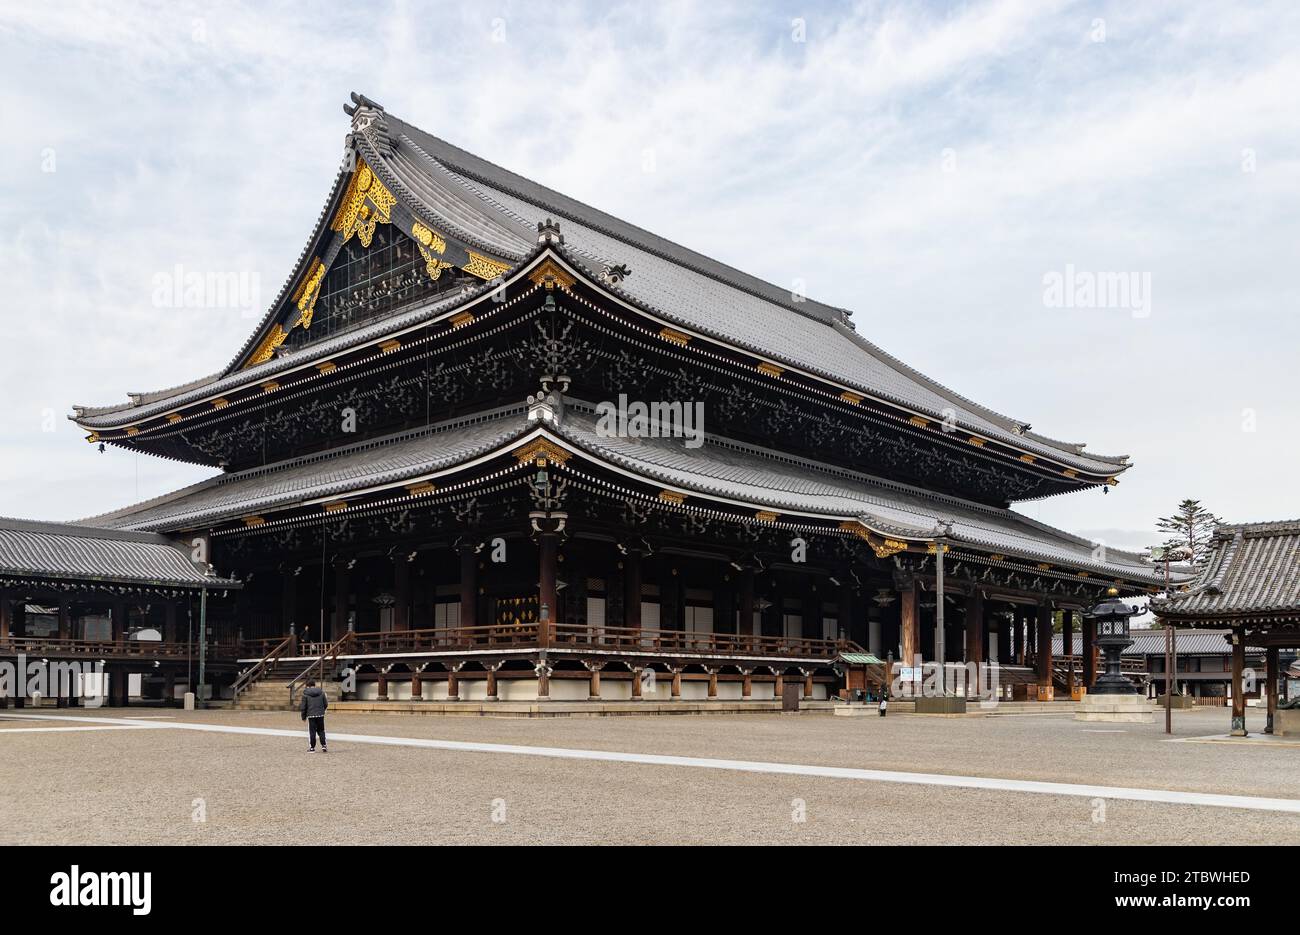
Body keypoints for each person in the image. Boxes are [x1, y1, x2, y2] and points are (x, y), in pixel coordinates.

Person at [300, 679, 329, 753]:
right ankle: (324, 745)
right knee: (321, 730)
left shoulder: (305, 694)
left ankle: (312, 748)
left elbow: (303, 706)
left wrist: (303, 717)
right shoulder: (321, 692)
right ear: (314, 685)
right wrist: (322, 710)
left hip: (311, 715)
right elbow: (325, 704)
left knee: (312, 731)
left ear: (308, 686)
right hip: (320, 715)